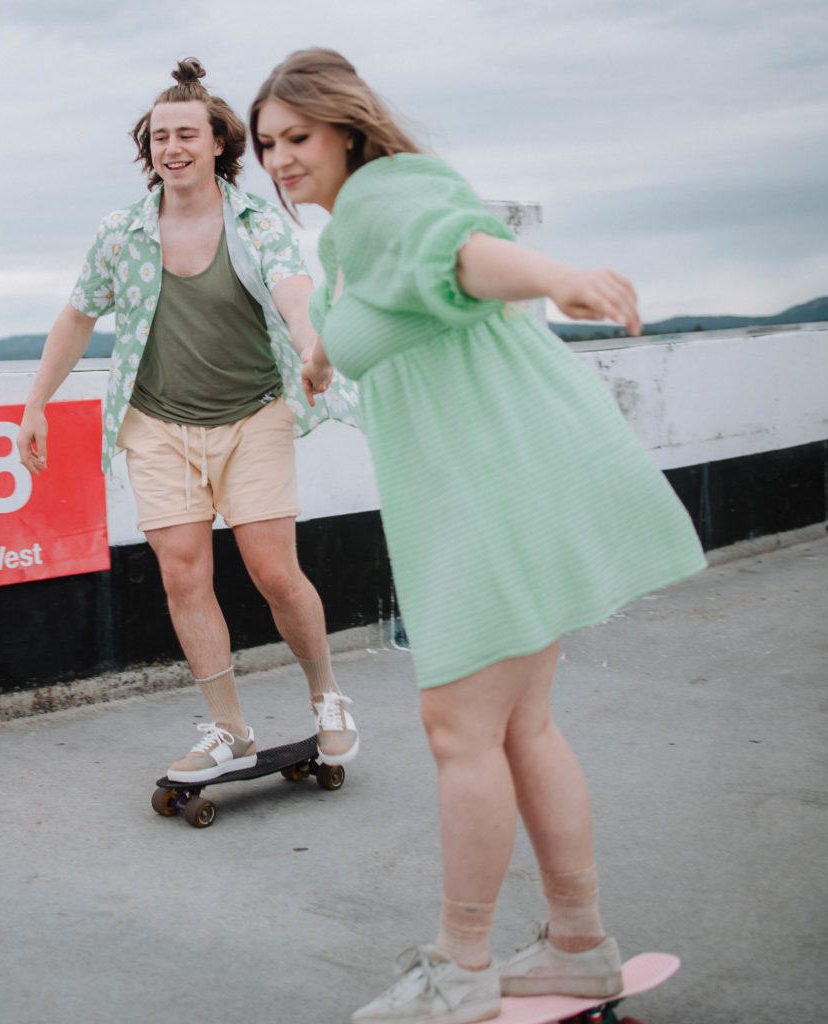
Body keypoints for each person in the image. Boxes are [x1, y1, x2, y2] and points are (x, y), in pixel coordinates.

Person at [249, 49, 706, 1024]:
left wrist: (560, 277)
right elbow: (383, 302)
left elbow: (461, 254)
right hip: (497, 481)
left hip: (482, 495)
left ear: (345, 127)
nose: (280, 159)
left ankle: (461, 968)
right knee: (519, 725)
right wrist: (323, 351)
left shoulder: (383, 197)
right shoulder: (351, 234)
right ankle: (579, 946)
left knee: (459, 731)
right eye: (266, 144)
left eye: (296, 137)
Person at [16, 58, 362, 783]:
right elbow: (77, 317)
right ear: (149, 150)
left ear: (217, 145)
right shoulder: (123, 234)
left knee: (274, 572)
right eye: (159, 136)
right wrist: (36, 405)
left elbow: (294, 291)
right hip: (158, 424)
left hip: (253, 414)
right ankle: (229, 729)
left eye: (187, 135)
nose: (172, 147)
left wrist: (311, 347)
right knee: (182, 577)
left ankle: (328, 696)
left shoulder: (254, 219)